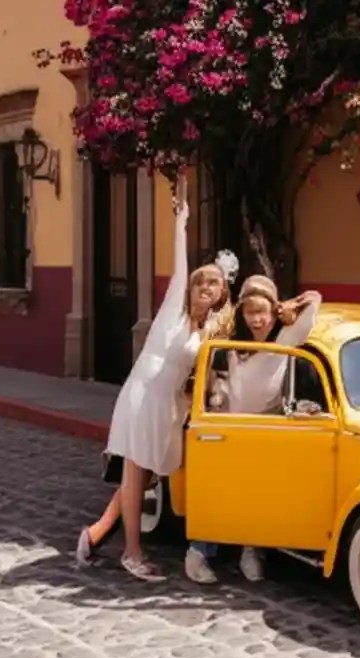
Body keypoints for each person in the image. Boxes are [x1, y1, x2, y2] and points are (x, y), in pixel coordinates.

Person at [75, 180, 238, 581]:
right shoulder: (174, 311)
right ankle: (132, 553)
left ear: (221, 294)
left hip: (169, 404)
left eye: (213, 284)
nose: (204, 287)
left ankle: (95, 533)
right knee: (136, 471)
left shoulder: (210, 329)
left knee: (143, 475)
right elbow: (180, 263)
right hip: (144, 394)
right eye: (201, 282)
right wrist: (181, 219)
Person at [185, 275, 322, 584]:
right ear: (242, 314)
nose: (257, 319)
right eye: (250, 312)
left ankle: (251, 552)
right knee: (219, 492)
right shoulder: (231, 345)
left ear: (273, 312)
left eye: (263, 311)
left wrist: (290, 307)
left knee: (258, 494)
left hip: (266, 426)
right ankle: (198, 553)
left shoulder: (285, 338)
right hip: (231, 424)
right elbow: (213, 383)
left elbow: (315, 299)